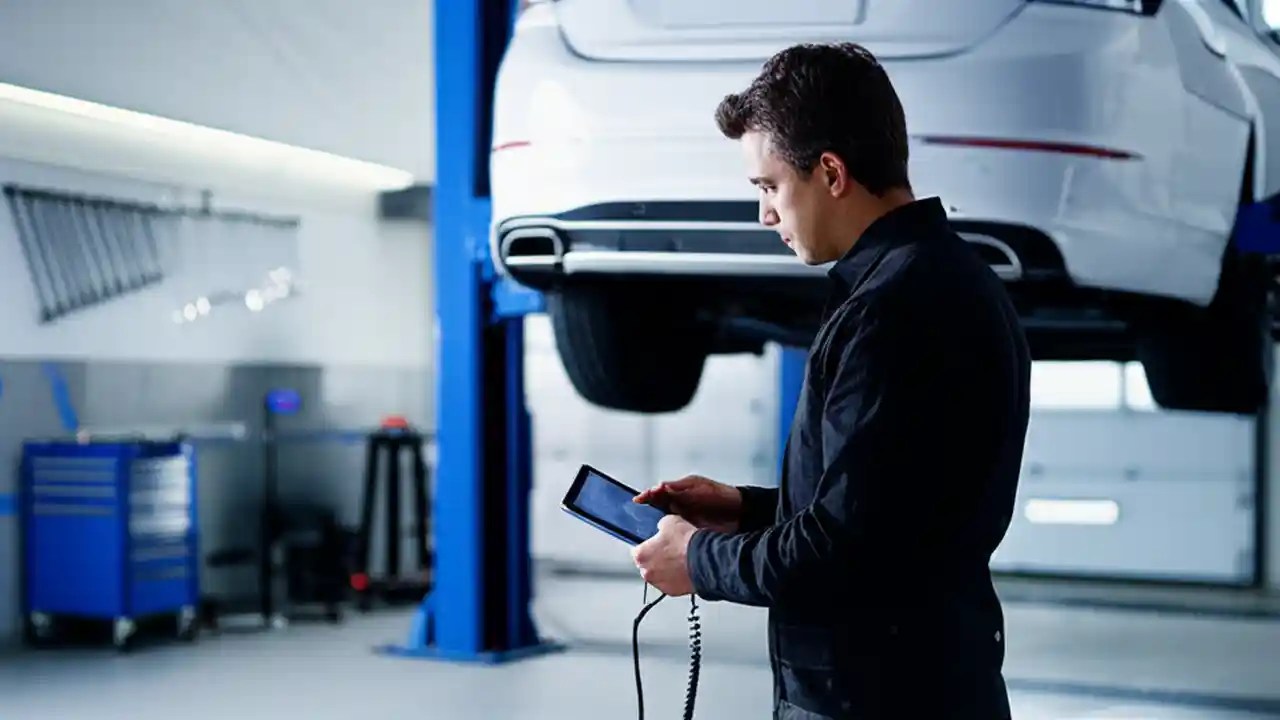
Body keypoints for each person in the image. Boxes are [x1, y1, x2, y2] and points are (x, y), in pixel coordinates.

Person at [631, 42, 1031, 719]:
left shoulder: (892, 309)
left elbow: (842, 550)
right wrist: (745, 509)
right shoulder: (945, 279)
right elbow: (892, 507)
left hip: (878, 696)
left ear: (831, 172)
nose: (765, 215)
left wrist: (701, 561)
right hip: (925, 677)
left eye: (769, 186)